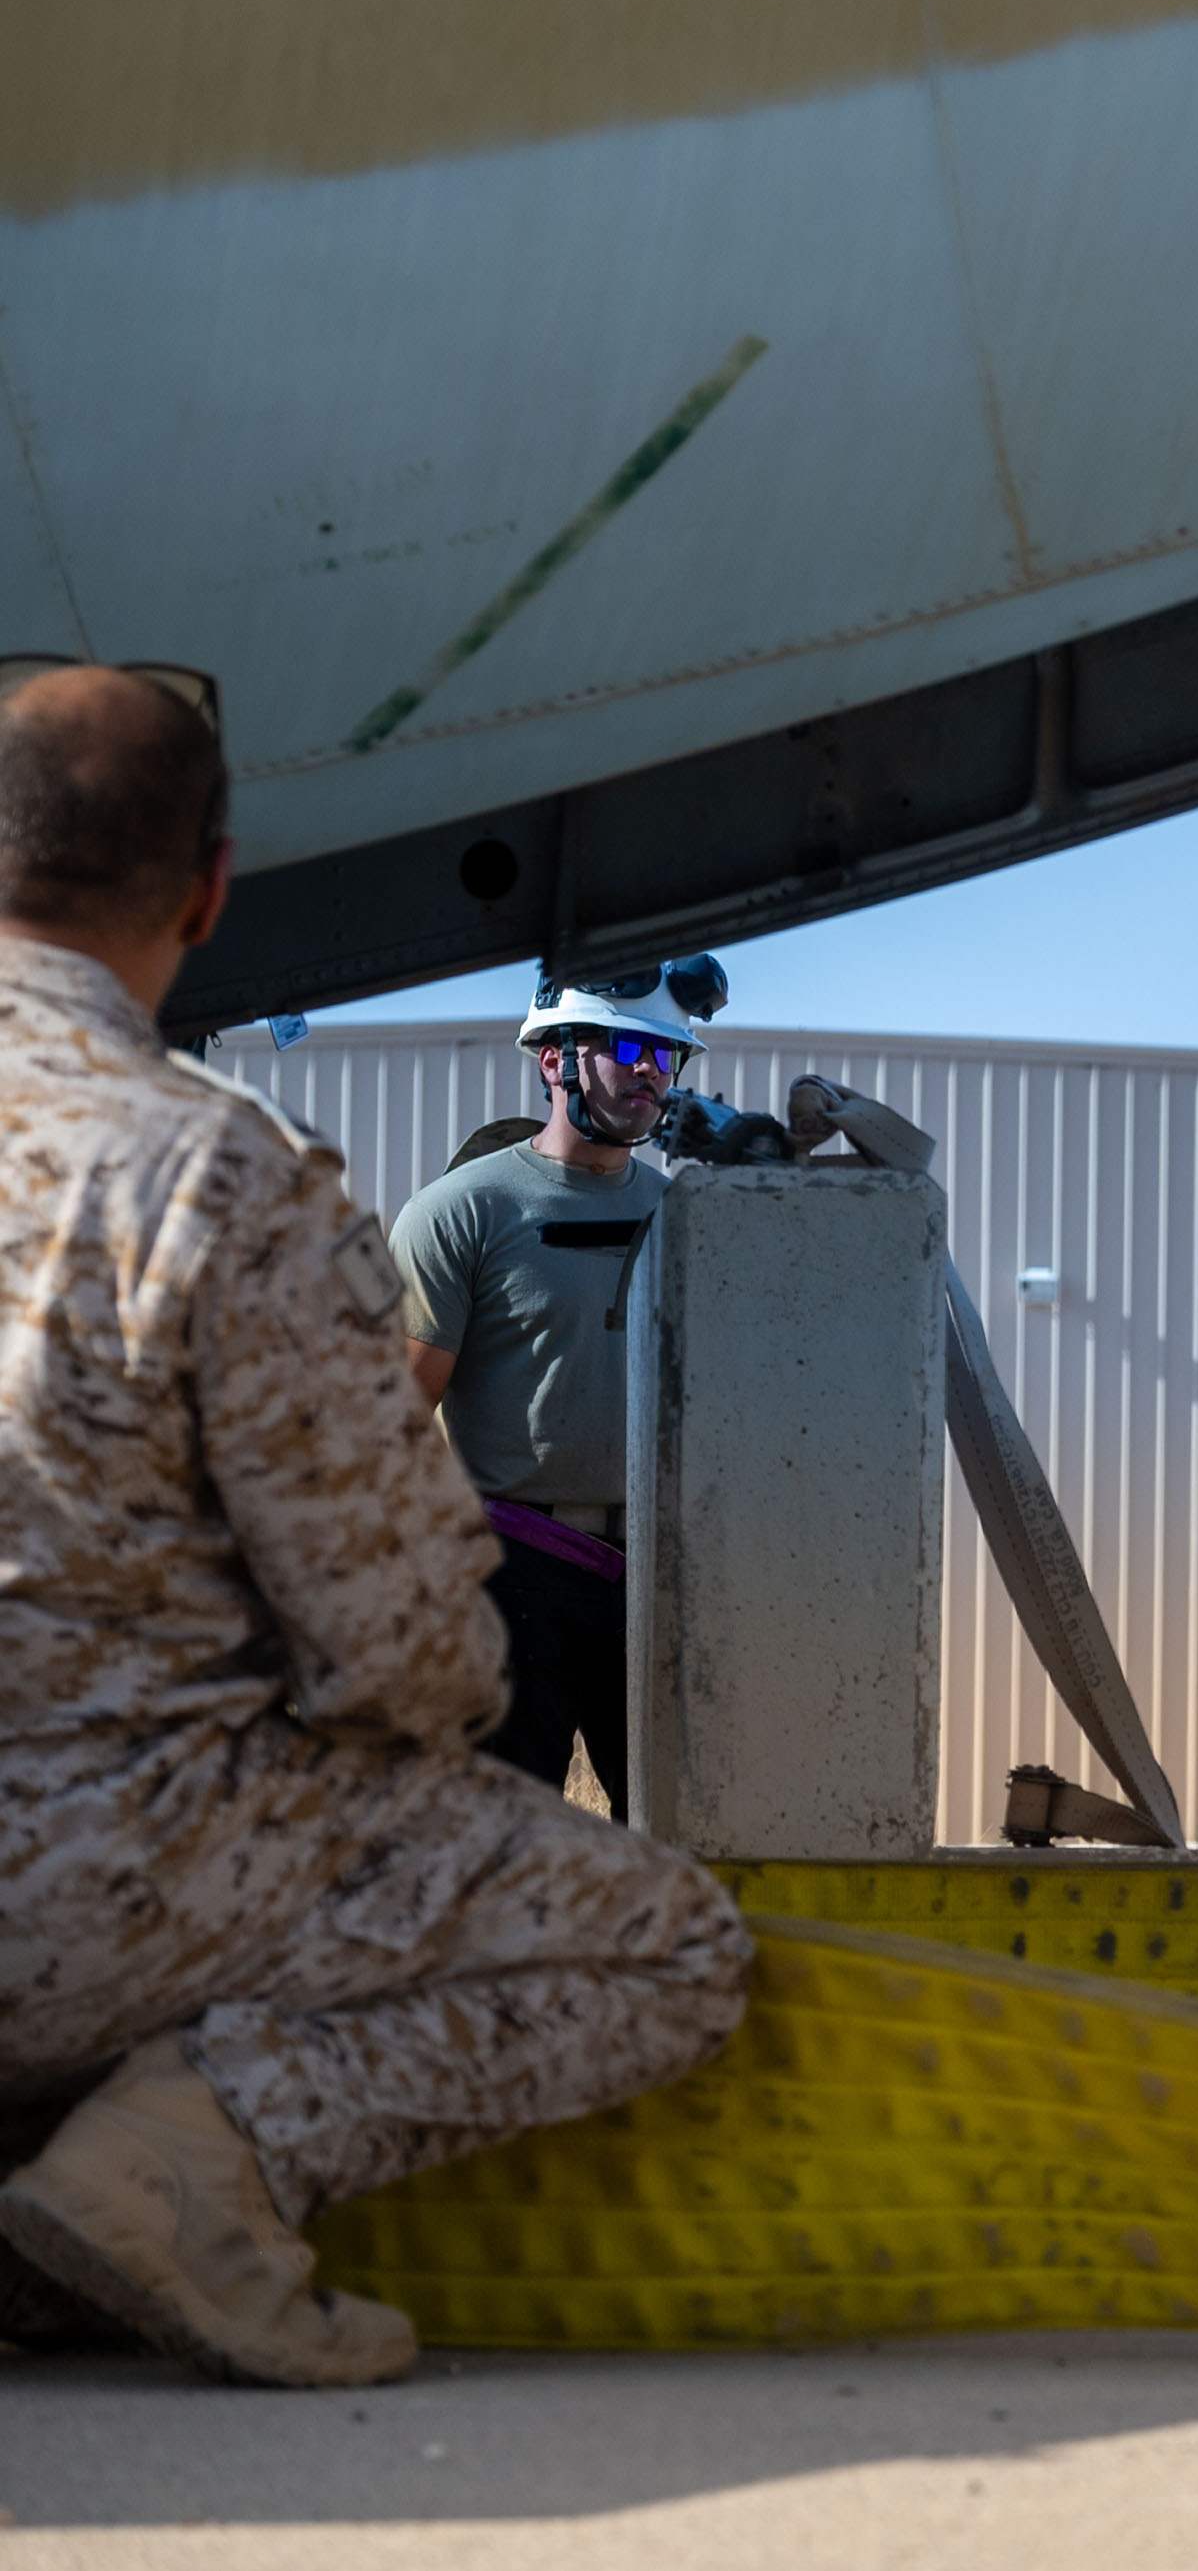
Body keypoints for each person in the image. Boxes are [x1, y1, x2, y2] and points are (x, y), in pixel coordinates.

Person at [0, 660, 747, 2386]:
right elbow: (405, 1648)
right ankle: (175, 2173)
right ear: (208, 889)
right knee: (669, 1937)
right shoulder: (213, 1174)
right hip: (84, 1882)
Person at [385, 963, 723, 1808]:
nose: (653, 1072)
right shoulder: (464, 1213)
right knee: (493, 1847)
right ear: (555, 1061)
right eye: (634, 1048)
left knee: (680, 1845)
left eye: (669, 1056)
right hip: (511, 1576)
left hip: (656, 1576)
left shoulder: (688, 1214)